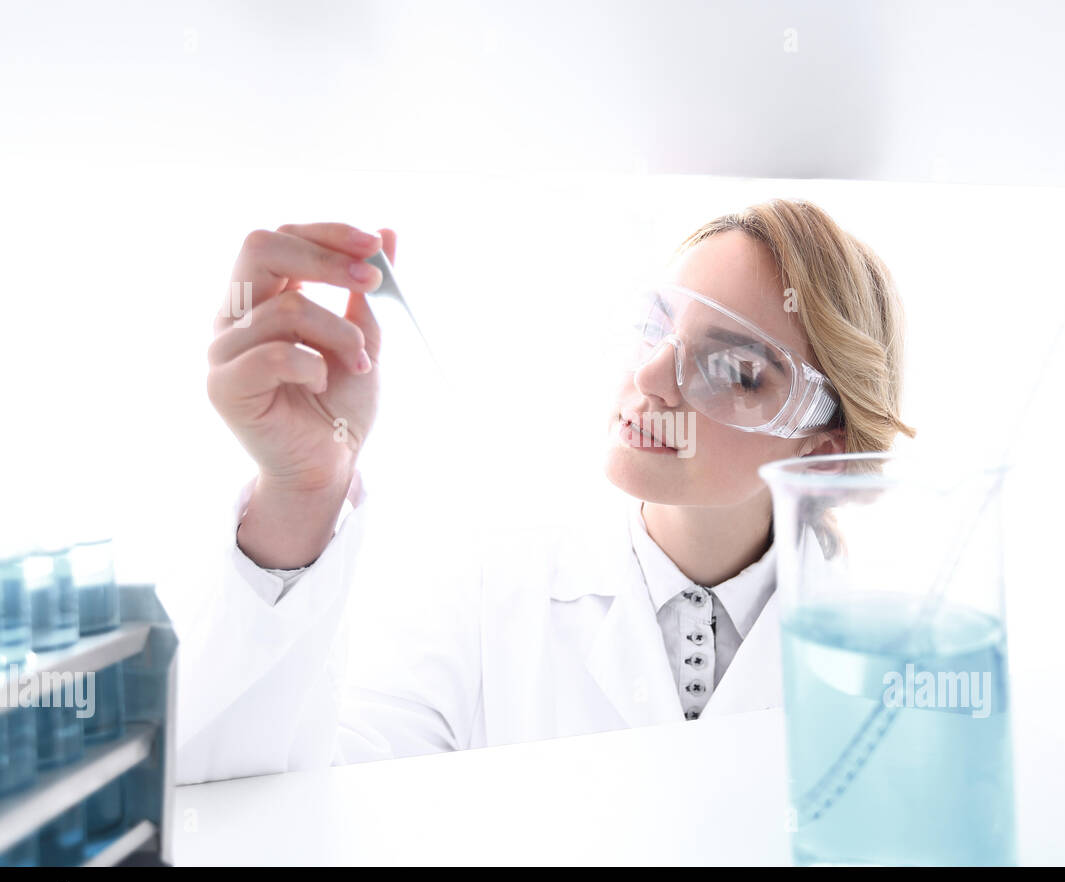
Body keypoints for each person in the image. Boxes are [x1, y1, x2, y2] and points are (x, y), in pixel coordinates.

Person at [176, 199, 914, 783]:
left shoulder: (899, 665)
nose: (652, 378)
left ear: (822, 457)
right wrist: (301, 493)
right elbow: (283, 812)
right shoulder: (481, 590)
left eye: (738, 370)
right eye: (655, 328)